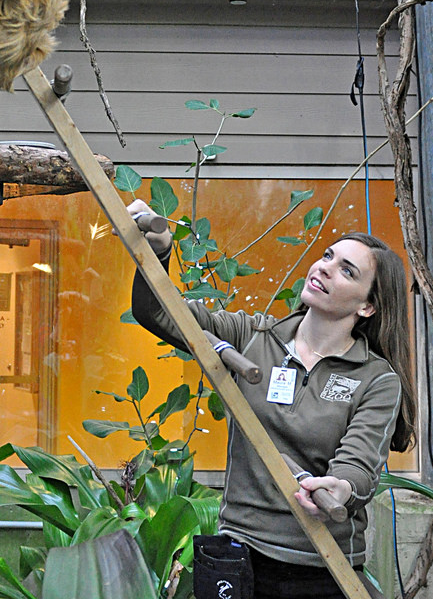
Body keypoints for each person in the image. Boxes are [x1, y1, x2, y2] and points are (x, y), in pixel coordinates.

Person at [127, 199, 417, 599]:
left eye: (346, 271)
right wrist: (158, 250)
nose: (324, 268)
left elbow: (358, 466)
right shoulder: (253, 338)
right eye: (328, 256)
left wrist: (341, 489)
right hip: (240, 556)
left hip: (323, 567)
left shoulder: (376, 378)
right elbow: (157, 312)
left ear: (367, 306)